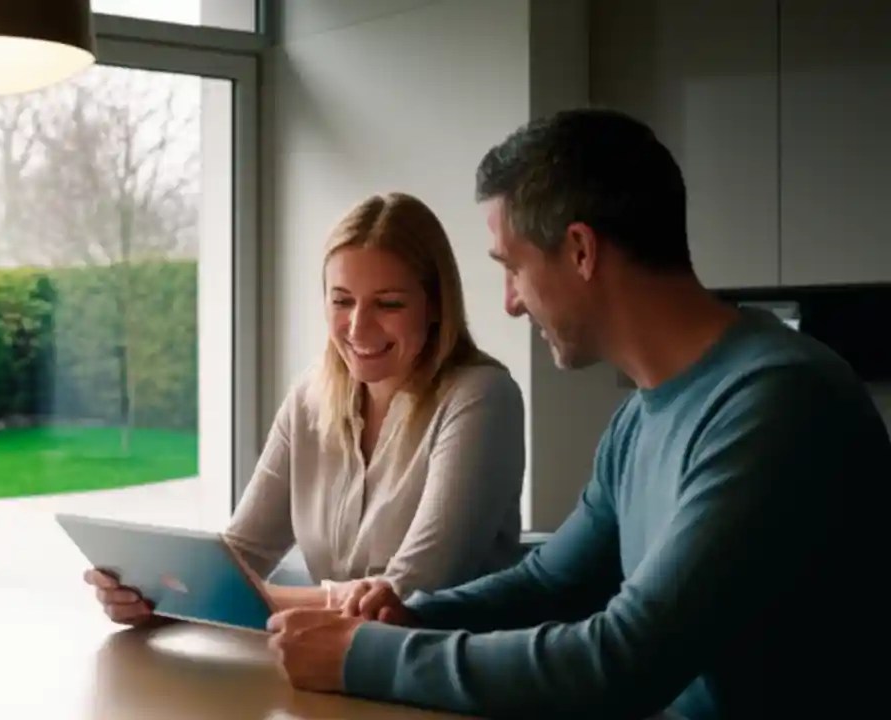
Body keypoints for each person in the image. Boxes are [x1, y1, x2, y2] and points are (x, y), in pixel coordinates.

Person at [266, 109, 891, 719]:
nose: (510, 303)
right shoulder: (640, 418)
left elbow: (622, 662)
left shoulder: (775, 405)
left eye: (513, 268)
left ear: (581, 251)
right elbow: (550, 584)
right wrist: (413, 615)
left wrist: (367, 658)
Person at [85, 191, 527, 624]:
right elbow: (242, 552)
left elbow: (408, 592)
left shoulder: (482, 397)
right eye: (341, 300)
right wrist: (150, 598)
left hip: (450, 674)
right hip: (335, 668)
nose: (358, 326)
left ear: (435, 306)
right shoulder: (310, 398)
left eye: (388, 303)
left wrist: (245, 598)